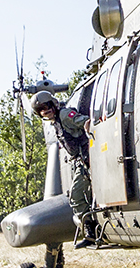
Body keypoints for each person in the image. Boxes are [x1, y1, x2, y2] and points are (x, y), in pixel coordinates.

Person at [32, 87, 97, 243]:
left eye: (46, 107)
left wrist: (87, 126)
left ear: (52, 104)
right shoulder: (57, 122)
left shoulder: (64, 115)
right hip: (79, 161)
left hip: (85, 160)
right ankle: (91, 230)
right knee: (81, 197)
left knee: (76, 196)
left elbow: (86, 121)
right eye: (41, 109)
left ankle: (90, 232)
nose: (45, 111)